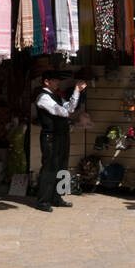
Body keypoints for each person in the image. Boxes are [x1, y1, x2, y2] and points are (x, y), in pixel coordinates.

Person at [33, 70, 86, 212]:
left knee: (62, 166)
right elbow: (60, 111)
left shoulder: (56, 96)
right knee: (49, 168)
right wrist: (69, 112)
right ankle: (43, 201)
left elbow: (70, 107)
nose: (58, 83)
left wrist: (76, 91)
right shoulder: (43, 97)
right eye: (55, 80)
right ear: (47, 82)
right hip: (50, 137)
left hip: (62, 135)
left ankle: (57, 198)